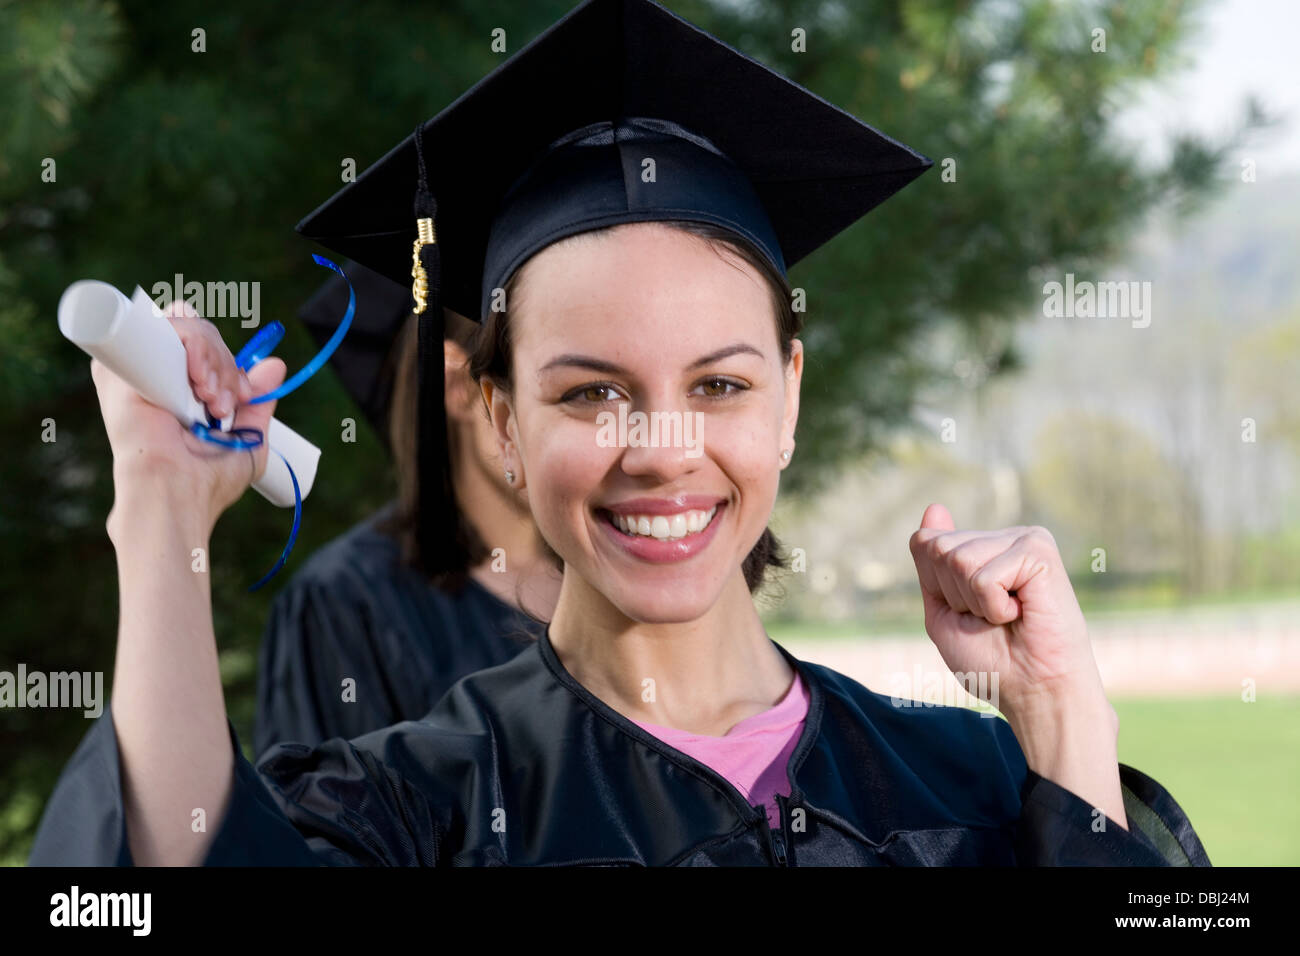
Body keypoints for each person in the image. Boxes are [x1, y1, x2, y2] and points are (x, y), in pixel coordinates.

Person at [29, 0, 1209, 867]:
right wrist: (163, 516)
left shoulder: (976, 783)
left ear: (790, 396)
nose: (658, 442)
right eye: (591, 391)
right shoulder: (428, 802)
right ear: (498, 416)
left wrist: (1064, 718)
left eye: (721, 384)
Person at [254, 263, 559, 754]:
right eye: (561, 387)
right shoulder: (346, 604)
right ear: (459, 386)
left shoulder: (627, 568)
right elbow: (321, 820)